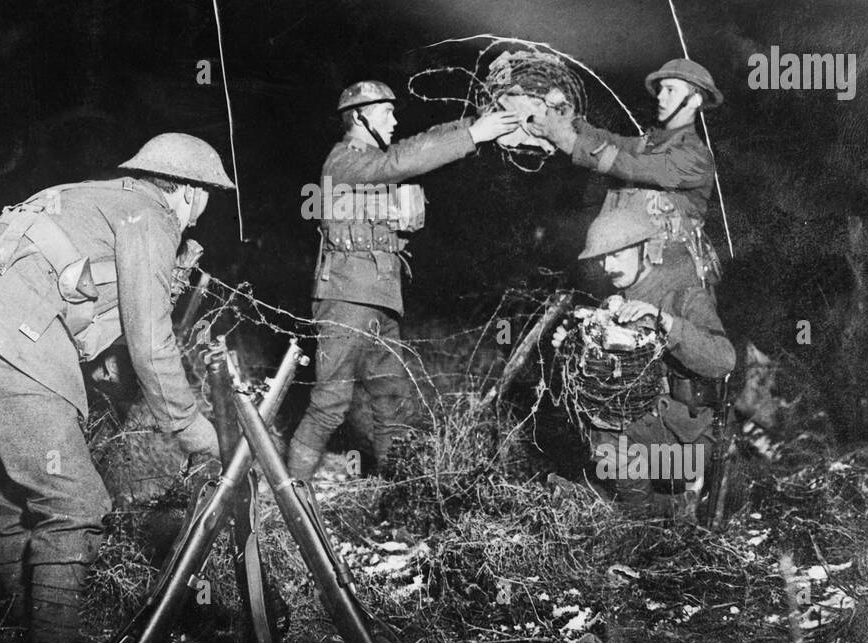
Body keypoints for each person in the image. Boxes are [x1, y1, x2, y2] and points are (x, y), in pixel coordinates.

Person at [0, 133, 233, 643]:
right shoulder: (148, 216)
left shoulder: (93, 199)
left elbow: (86, 314)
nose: (201, 215)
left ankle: (33, 642)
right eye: (206, 198)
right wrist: (195, 430)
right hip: (5, 335)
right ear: (190, 191)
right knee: (76, 503)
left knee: (8, 504)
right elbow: (153, 346)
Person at [286, 81, 520, 481]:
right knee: (330, 403)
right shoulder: (345, 160)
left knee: (392, 400)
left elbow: (418, 143)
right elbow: (399, 162)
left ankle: (394, 501)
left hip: (379, 298)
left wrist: (475, 123)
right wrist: (471, 136)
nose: (395, 121)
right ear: (359, 118)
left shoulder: (374, 159)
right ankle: (289, 493)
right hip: (346, 298)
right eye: (386, 114)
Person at [560, 206, 735, 521]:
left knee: (607, 431)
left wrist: (665, 322)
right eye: (602, 258)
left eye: (616, 253)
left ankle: (658, 512)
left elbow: (724, 359)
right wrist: (573, 349)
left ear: (645, 249)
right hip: (642, 441)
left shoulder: (684, 296)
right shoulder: (615, 303)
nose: (607, 265)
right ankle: (642, 516)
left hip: (687, 446)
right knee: (598, 417)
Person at [530, 57, 724, 286]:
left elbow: (629, 166)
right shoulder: (653, 143)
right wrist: (573, 122)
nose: (660, 97)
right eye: (661, 90)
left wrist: (568, 140)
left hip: (675, 278)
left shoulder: (695, 157)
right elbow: (613, 142)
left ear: (694, 100)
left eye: (670, 90)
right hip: (639, 269)